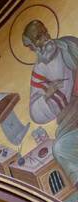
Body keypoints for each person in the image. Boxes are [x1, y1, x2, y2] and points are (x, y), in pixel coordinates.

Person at [23, 20, 78, 188]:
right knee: (60, 148)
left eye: (45, 32)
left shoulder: (70, 45)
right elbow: (35, 112)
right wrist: (47, 95)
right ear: (32, 46)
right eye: (39, 37)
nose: (46, 38)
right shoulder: (39, 72)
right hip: (72, 121)